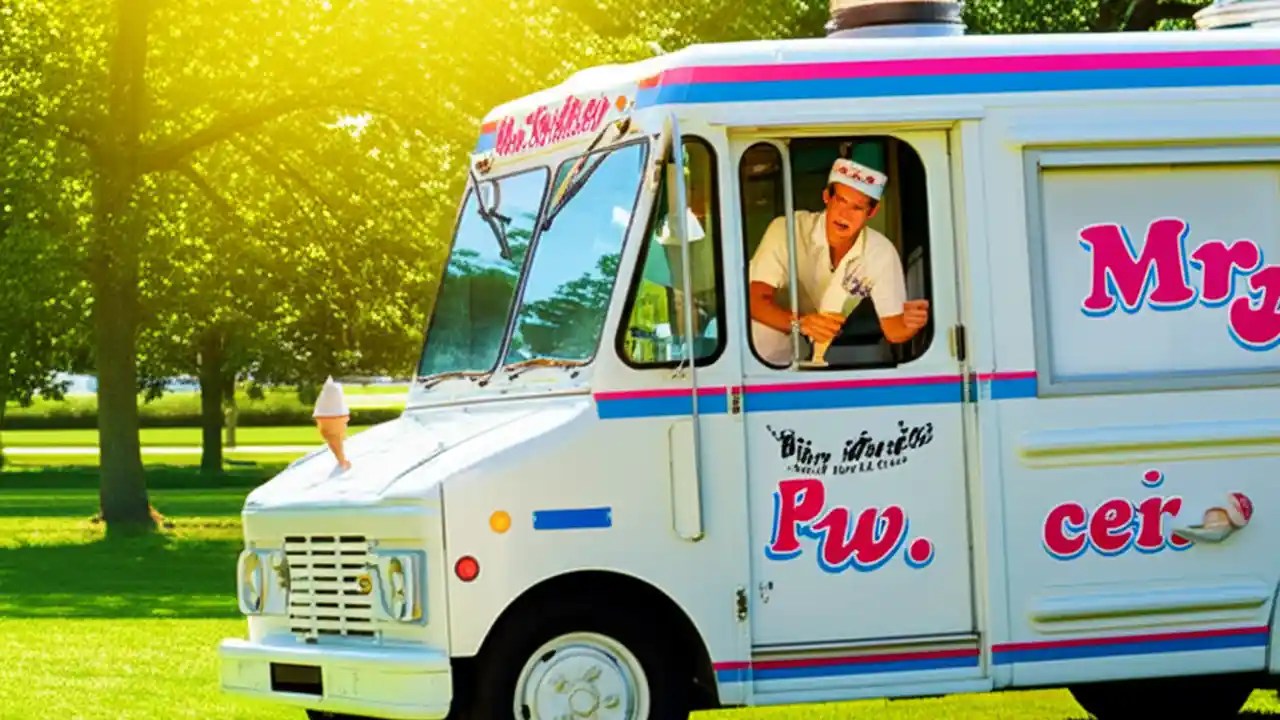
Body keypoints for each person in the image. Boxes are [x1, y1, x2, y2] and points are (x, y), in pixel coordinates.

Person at [748, 156, 930, 367]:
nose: (844, 215)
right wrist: (800, 324)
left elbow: (893, 330)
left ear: (872, 212)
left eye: (857, 208)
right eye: (840, 201)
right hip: (759, 352)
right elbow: (754, 302)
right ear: (827, 197)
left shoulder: (880, 252)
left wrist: (910, 325)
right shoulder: (786, 229)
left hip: (808, 354)